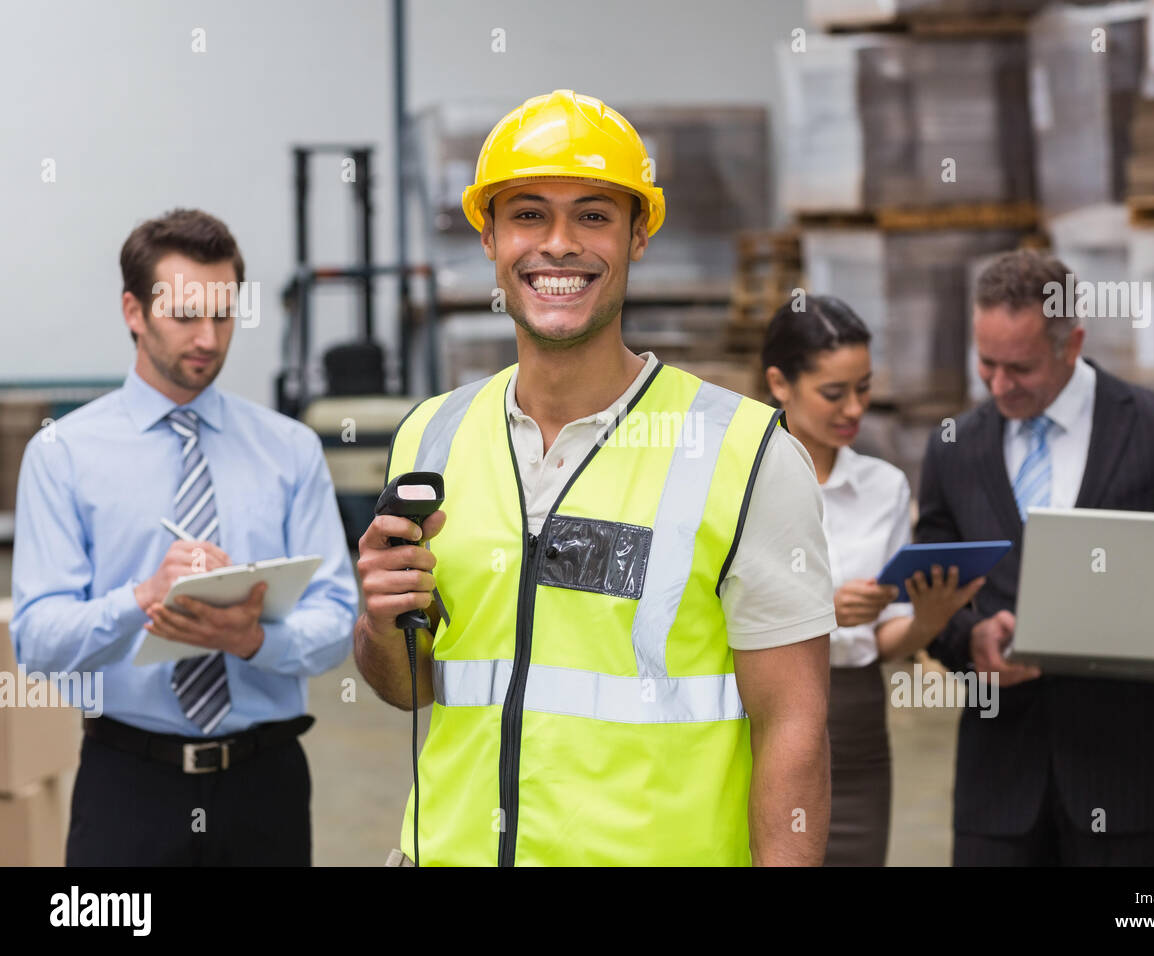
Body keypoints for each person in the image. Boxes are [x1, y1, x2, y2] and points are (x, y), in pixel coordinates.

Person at [353, 90, 838, 866]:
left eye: (593, 215)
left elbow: (795, 727)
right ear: (488, 236)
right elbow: (410, 689)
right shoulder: (430, 435)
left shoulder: (743, 453)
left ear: (639, 235)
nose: (558, 245)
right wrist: (379, 621)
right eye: (528, 214)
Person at [11, 209, 359, 865]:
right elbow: (38, 641)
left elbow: (337, 620)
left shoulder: (290, 450)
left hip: (267, 785)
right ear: (133, 311)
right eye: (185, 314)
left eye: (223, 315)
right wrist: (141, 598)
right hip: (128, 785)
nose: (208, 337)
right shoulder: (63, 455)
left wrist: (253, 639)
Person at [917, 249, 1154, 866]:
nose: (998, 385)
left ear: (1071, 342)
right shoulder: (955, 447)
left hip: (1128, 777)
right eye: (986, 363)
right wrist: (968, 639)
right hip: (998, 783)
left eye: (1018, 367)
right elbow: (931, 578)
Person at [762, 295, 985, 866]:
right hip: (758, 711)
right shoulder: (740, 481)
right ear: (780, 384)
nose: (855, 407)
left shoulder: (883, 488)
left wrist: (930, 621)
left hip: (856, 719)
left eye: (864, 387)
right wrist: (821, 609)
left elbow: (882, 641)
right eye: (834, 393)